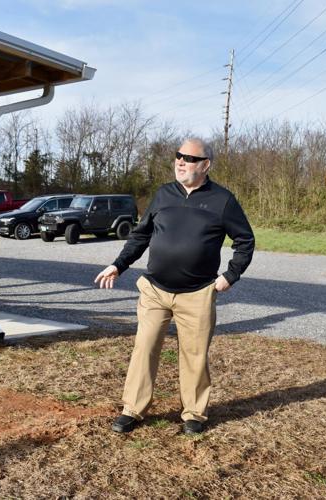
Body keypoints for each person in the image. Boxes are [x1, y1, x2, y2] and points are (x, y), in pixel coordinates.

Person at [95, 137, 255, 435]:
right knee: (144, 348)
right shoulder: (163, 194)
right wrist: (118, 265)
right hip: (155, 290)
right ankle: (132, 409)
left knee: (194, 355)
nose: (181, 161)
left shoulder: (222, 200)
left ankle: (194, 414)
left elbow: (245, 241)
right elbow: (141, 235)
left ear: (205, 165)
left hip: (197, 293)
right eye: (178, 156)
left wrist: (230, 276)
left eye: (189, 158)